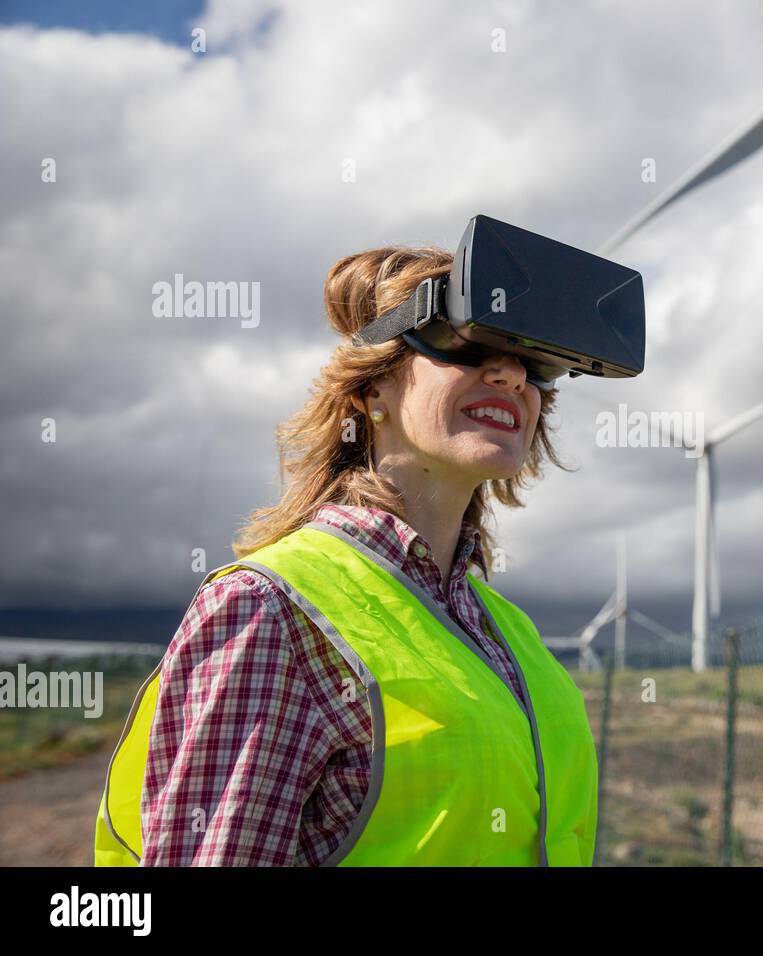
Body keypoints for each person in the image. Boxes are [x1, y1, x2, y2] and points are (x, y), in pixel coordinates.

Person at [93, 244, 599, 866]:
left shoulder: (514, 637)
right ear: (370, 389)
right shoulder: (272, 610)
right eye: (460, 344)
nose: (510, 375)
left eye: (532, 363)